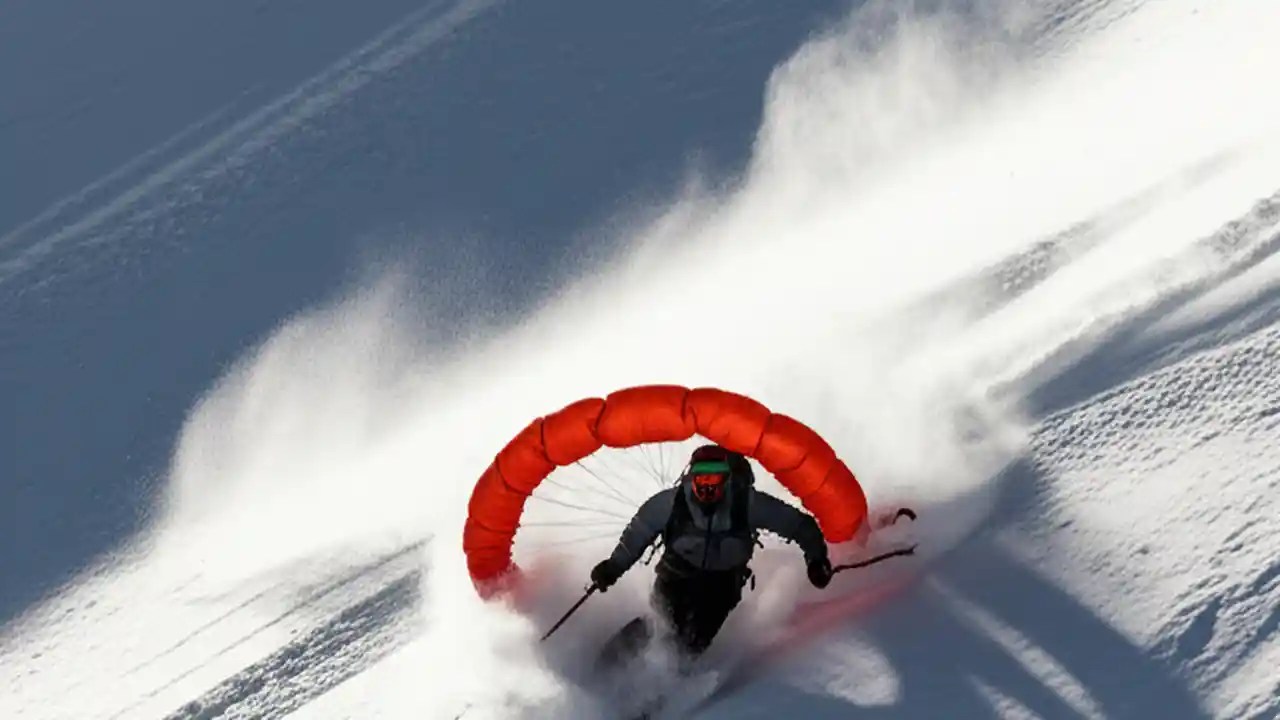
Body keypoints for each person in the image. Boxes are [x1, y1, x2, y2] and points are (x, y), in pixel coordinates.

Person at [589, 444, 834, 664]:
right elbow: (638, 534)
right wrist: (612, 568)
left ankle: (664, 687)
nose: (707, 486)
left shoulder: (746, 503)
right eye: (702, 477)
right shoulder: (670, 503)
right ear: (691, 477)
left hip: (723, 583)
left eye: (715, 478)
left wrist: (816, 558)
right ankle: (605, 666)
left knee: (695, 638)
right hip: (676, 573)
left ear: (727, 479)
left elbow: (799, 525)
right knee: (659, 623)